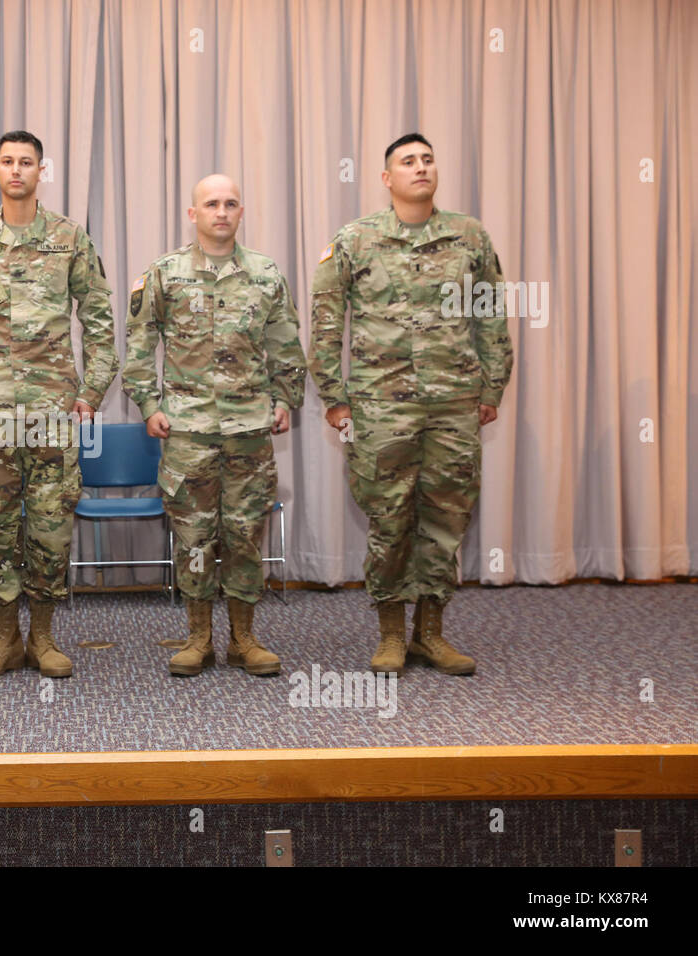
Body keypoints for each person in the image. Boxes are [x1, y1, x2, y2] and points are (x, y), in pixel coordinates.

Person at [309, 132, 514, 676]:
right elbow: (326, 325)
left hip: (453, 405)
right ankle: (391, 635)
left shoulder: (469, 236)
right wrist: (334, 397)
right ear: (386, 179)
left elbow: (491, 317)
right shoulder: (356, 240)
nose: (420, 168)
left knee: (446, 519)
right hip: (381, 408)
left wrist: (492, 388)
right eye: (407, 161)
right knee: (390, 518)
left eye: (427, 159)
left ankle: (432, 633)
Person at [0, 130, 117, 679]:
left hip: (53, 411)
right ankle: (4, 638)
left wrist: (90, 393)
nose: (17, 170)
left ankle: (43, 636)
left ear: (43, 171)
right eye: (8, 162)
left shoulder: (69, 238)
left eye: (27, 162)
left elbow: (102, 323)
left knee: (50, 524)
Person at [124, 174, 307, 677]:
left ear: (241, 211)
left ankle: (244, 638)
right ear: (193, 213)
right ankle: (198, 637)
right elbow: (139, 343)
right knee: (194, 538)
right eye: (211, 204)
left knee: (246, 534)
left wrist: (286, 398)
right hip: (186, 430)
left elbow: (286, 343)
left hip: (249, 427)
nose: (221, 212)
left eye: (230, 203)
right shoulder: (166, 273)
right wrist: (147, 403)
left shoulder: (266, 275)